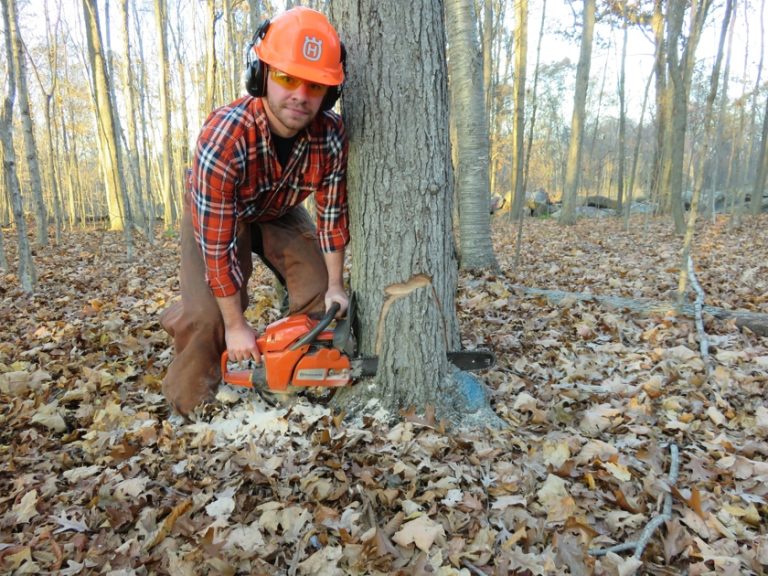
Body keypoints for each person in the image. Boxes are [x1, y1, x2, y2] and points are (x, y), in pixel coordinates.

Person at [159, 6, 349, 416]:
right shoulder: (224, 136)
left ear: (329, 93)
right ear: (260, 74)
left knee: (320, 289)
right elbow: (218, 244)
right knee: (209, 317)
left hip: (278, 208)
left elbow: (332, 216)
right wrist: (235, 324)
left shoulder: (330, 135)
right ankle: (190, 406)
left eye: (315, 86)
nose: (300, 95)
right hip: (216, 215)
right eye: (286, 77)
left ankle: (296, 370)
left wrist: (336, 284)